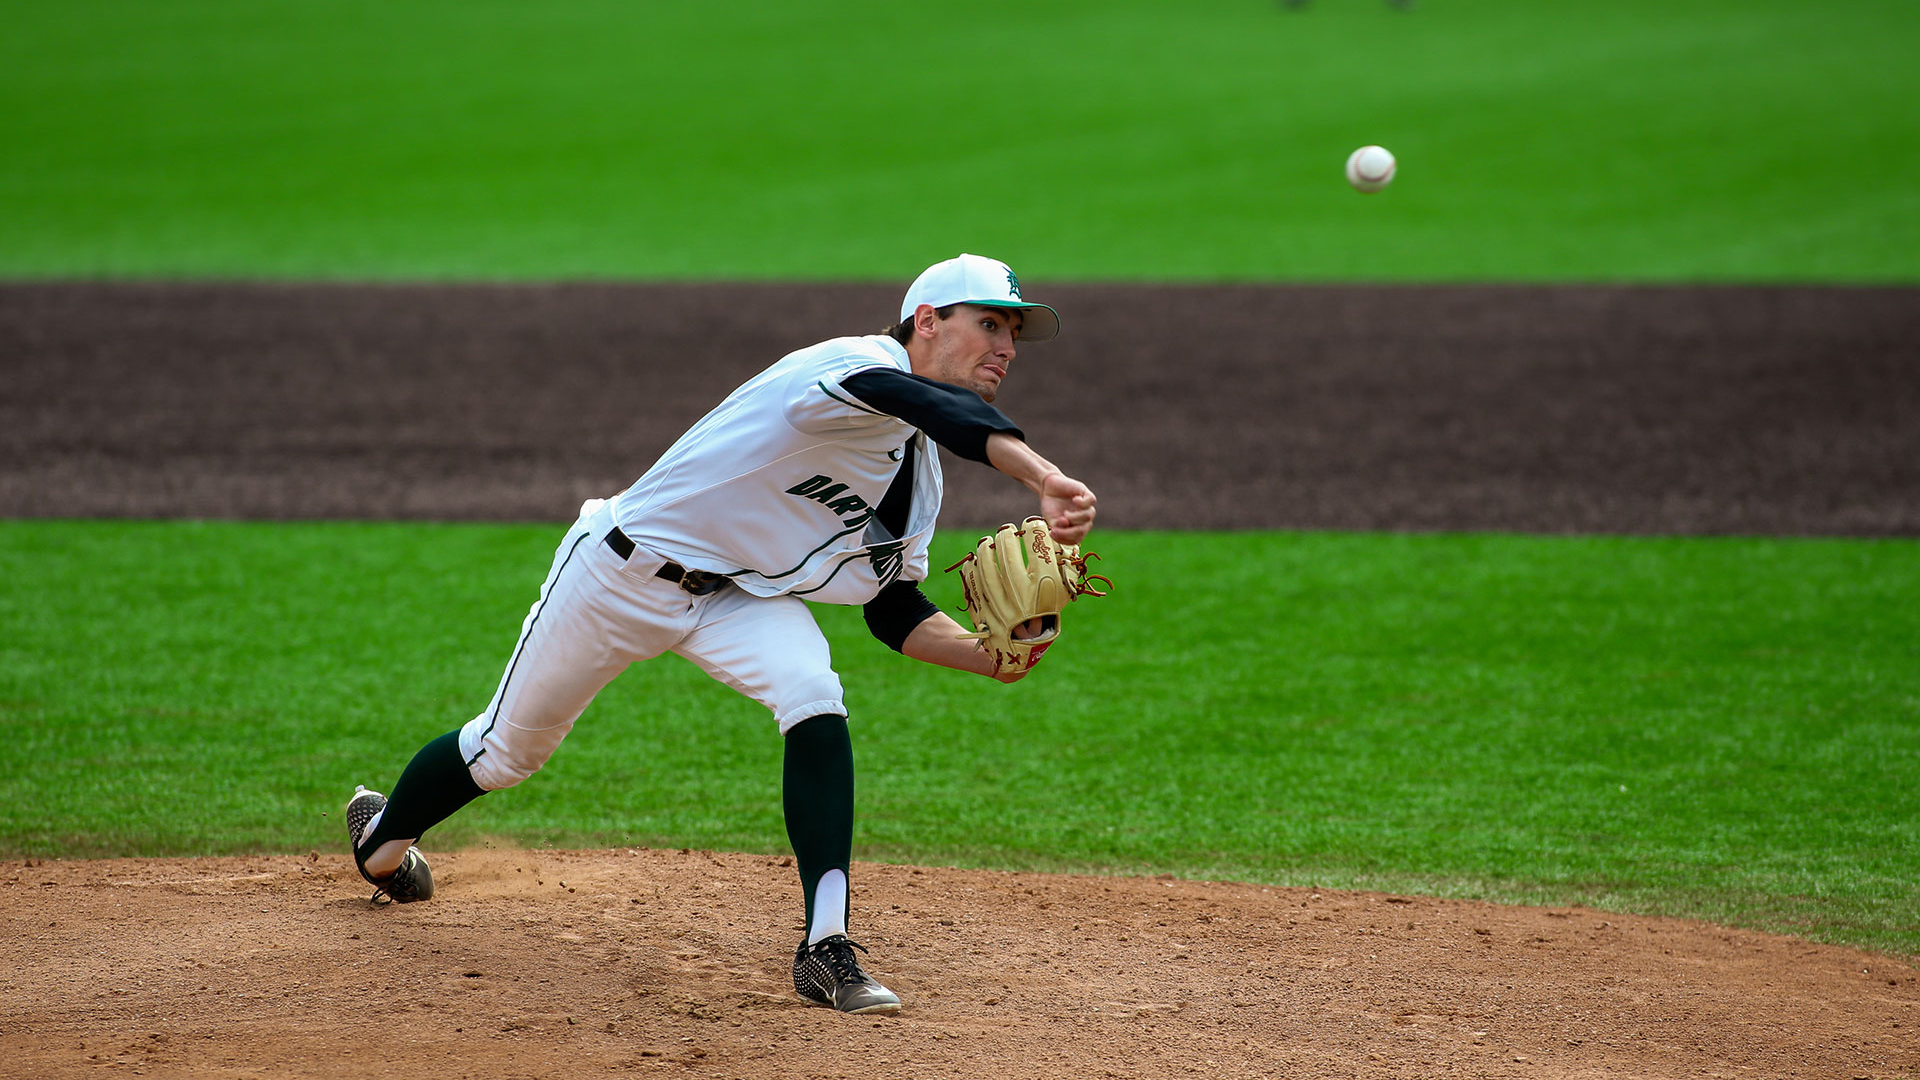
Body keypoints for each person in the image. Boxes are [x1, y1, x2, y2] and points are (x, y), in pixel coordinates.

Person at [344, 253, 1097, 1015]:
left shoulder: (918, 483)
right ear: (927, 322)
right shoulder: (849, 368)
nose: (1005, 346)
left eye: (1013, 333)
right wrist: (1040, 476)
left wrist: (985, 657)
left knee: (813, 693)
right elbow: (942, 411)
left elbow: (890, 604)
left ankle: (825, 949)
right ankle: (382, 844)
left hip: (738, 597)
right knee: (503, 754)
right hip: (618, 574)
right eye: (990, 323)